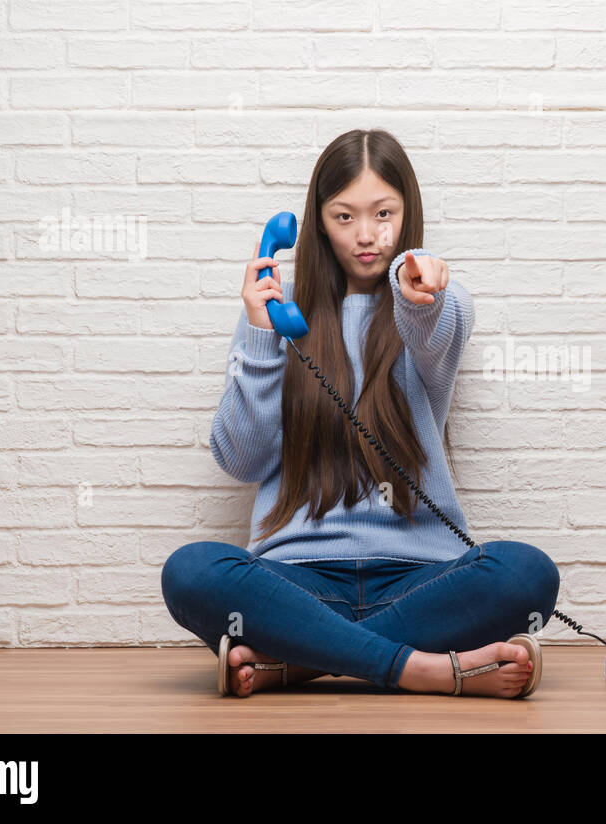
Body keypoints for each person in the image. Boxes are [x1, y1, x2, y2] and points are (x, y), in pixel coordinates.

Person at [161, 129, 561, 698]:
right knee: (192, 571)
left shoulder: (432, 300)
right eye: (344, 217)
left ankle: (300, 662)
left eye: (383, 213)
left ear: (407, 214)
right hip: (298, 582)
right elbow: (241, 460)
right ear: (317, 222)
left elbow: (432, 327)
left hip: (419, 578)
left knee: (526, 573)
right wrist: (257, 334)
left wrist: (418, 290)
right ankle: (425, 669)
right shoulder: (278, 309)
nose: (367, 236)